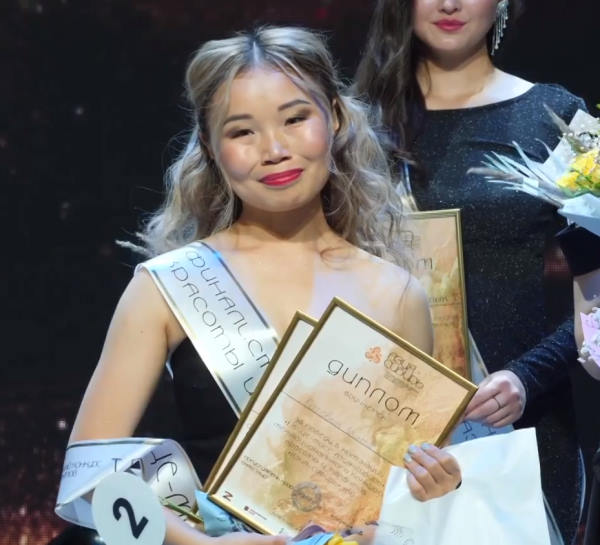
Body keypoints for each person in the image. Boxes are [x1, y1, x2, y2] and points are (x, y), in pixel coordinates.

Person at [65, 26, 461, 545]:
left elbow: (402, 489)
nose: (274, 149)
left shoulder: (398, 294)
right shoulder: (166, 286)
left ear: (335, 119)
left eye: (295, 119)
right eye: (242, 132)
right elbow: (90, 481)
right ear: (210, 147)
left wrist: (431, 492)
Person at [354, 1, 587, 542]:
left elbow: (597, 294)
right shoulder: (354, 126)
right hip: (382, 419)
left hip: (521, 422)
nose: (449, 4)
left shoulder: (558, 116)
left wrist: (528, 376)